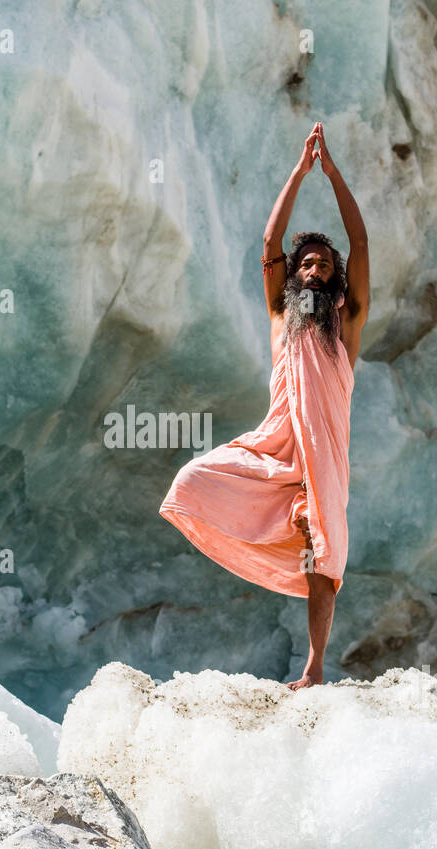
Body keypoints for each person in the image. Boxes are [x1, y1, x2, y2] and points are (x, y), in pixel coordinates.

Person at [160, 122, 369, 690]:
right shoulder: (282, 316)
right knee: (195, 477)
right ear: (294, 275)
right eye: (307, 263)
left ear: (337, 277)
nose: (316, 267)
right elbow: (269, 244)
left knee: (323, 556)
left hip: (324, 453)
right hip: (276, 444)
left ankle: (314, 669)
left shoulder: (346, 321)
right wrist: (300, 173)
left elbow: (361, 242)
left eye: (325, 263)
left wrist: (334, 175)